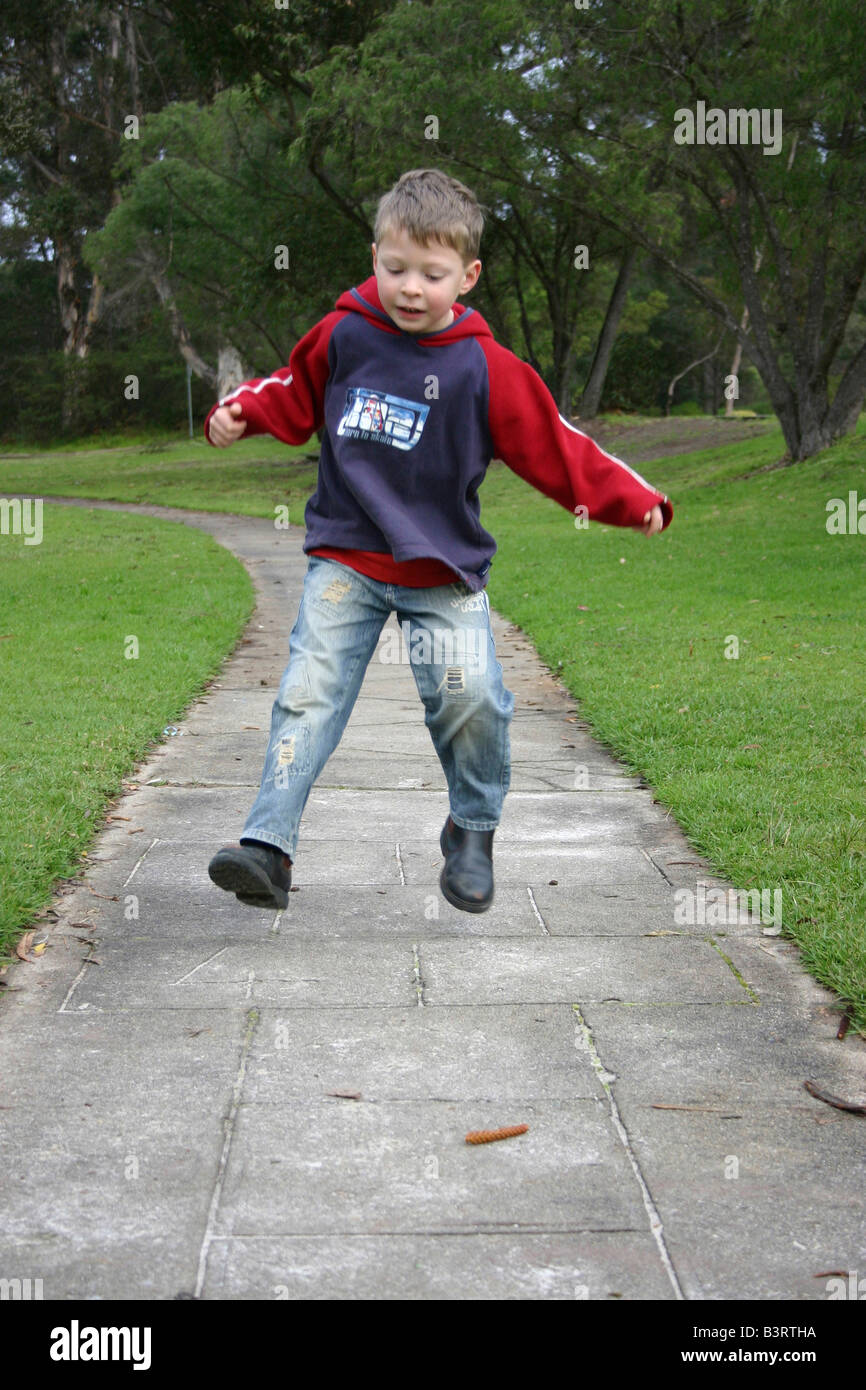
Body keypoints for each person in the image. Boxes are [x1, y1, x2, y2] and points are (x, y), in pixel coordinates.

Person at [205, 167, 672, 915]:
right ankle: (269, 847)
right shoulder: (346, 334)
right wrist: (239, 414)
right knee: (308, 694)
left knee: (474, 698)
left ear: (468, 274)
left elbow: (558, 448)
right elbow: (291, 394)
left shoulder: (483, 367)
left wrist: (631, 501)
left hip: (442, 568)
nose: (410, 288)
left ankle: (471, 830)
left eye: (432, 273)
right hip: (346, 557)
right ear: (375, 257)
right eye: (395, 269)